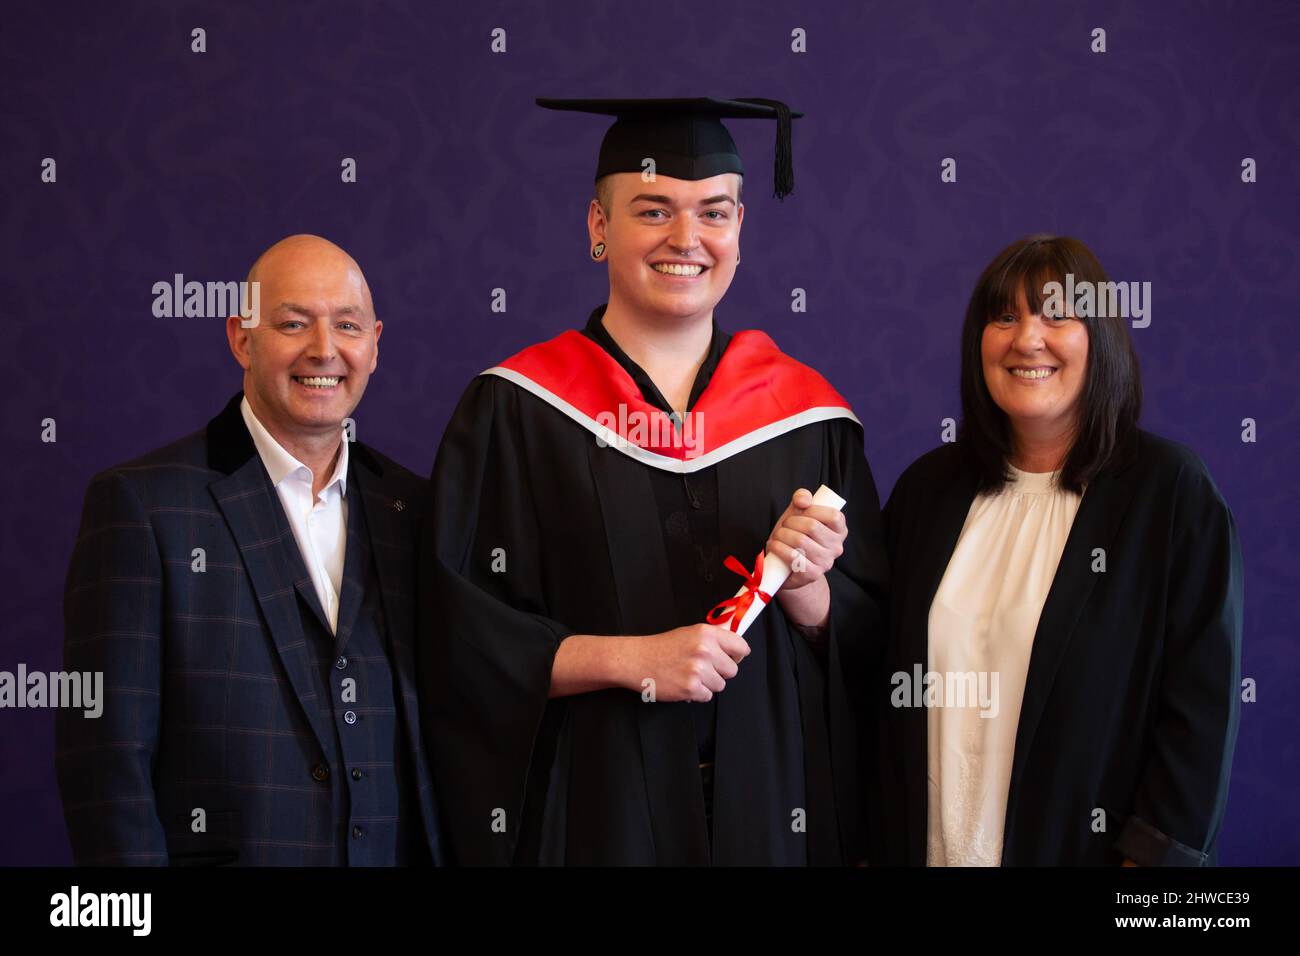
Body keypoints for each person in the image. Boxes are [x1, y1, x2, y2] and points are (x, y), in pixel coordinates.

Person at [420, 98, 887, 865]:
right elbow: (456, 633)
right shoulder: (517, 409)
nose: (686, 238)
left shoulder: (807, 417)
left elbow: (880, 645)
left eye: (713, 212)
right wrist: (627, 661)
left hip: (772, 810)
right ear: (598, 229)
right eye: (652, 210)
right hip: (591, 810)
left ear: (740, 228)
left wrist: (810, 596)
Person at [57, 235, 442, 866]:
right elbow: (106, 768)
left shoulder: (415, 510)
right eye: (293, 323)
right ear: (242, 338)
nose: (324, 349)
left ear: (374, 343)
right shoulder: (143, 506)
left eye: (346, 325)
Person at [875, 235, 1242, 866]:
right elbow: (875, 687)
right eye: (1004, 316)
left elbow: (1200, 712)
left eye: (1056, 314)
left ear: (1098, 338)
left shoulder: (1170, 493)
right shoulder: (927, 491)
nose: (1027, 338)